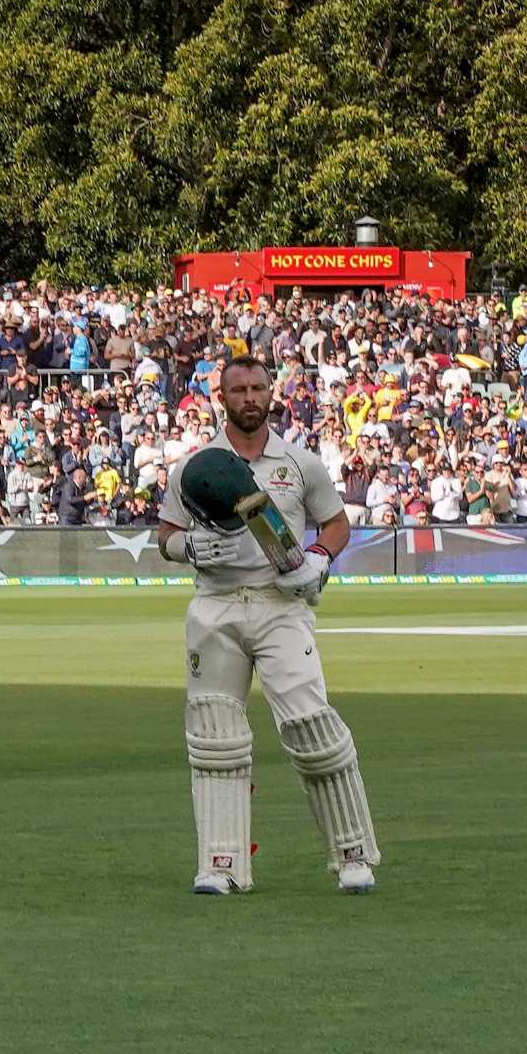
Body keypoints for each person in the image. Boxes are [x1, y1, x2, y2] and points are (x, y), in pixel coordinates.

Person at [154, 354, 381, 895]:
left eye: (258, 388)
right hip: (216, 605)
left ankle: (352, 854)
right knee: (215, 736)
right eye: (239, 390)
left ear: (270, 393)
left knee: (312, 727)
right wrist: (189, 546)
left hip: (282, 606)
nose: (250, 397)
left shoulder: (300, 462)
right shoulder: (193, 467)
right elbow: (163, 537)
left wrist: (319, 559)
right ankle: (221, 865)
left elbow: (337, 522)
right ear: (223, 397)